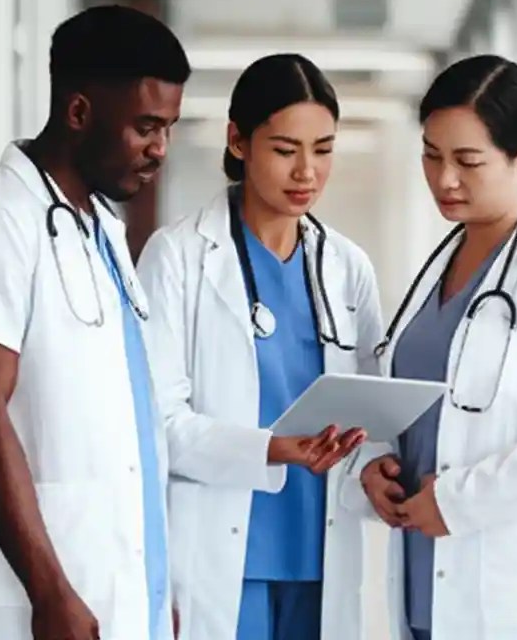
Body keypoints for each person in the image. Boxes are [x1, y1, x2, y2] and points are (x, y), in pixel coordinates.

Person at [0, 4, 190, 640]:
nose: (160, 150)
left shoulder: (102, 228)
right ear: (78, 112)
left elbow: (128, 433)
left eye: (168, 129)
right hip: (52, 600)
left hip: (125, 595)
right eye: (146, 127)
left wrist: (157, 587)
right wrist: (48, 590)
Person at [350, 55, 517, 640]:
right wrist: (372, 463)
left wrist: (460, 500)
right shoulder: (439, 265)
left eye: (468, 161)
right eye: (432, 155)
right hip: (427, 588)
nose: (444, 179)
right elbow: (409, 406)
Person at [137, 54, 383, 640]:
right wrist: (272, 449)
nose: (306, 172)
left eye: (323, 149)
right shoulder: (177, 257)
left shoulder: (346, 268)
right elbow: (158, 423)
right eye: (285, 149)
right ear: (238, 142)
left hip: (320, 549)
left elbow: (373, 407)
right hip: (222, 550)